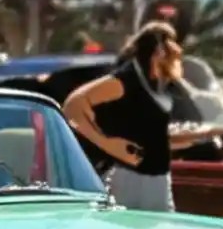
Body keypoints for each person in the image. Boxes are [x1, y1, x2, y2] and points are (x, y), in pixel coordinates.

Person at [61, 22, 213, 211]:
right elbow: (72, 106)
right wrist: (106, 143)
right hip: (129, 178)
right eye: (171, 46)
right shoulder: (126, 81)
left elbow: (148, 132)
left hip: (158, 179)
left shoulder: (160, 87)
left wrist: (188, 138)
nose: (178, 52)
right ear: (158, 52)